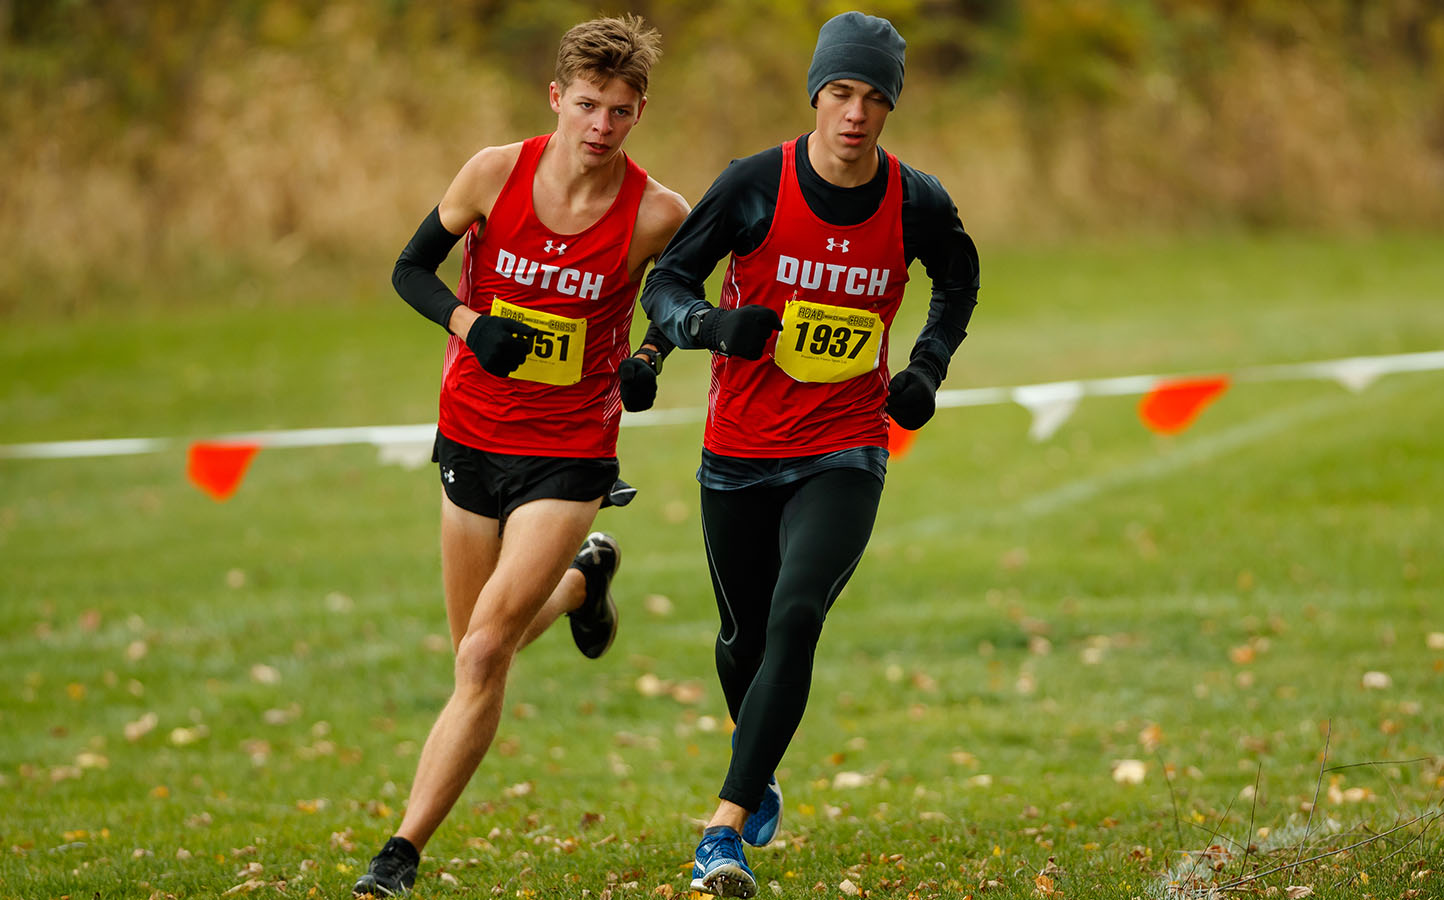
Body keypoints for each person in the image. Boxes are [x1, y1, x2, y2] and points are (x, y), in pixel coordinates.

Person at [638, 11, 980, 898]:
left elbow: (959, 271)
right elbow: (666, 283)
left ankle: (723, 830)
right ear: (816, 96)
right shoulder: (754, 185)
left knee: (796, 615)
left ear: (891, 106)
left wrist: (927, 367)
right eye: (840, 93)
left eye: (873, 97)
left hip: (846, 444)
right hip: (740, 449)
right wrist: (712, 326)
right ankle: (762, 768)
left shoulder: (915, 201)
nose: (855, 114)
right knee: (740, 640)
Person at [353, 15, 687, 898]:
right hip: (473, 429)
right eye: (587, 105)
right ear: (557, 97)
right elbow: (409, 268)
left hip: (571, 450)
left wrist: (650, 359)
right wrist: (471, 324)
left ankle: (400, 853)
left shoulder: (657, 212)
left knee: (482, 656)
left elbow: (685, 294)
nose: (600, 127)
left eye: (620, 111)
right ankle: (583, 583)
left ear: (639, 111)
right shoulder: (493, 172)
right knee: (473, 645)